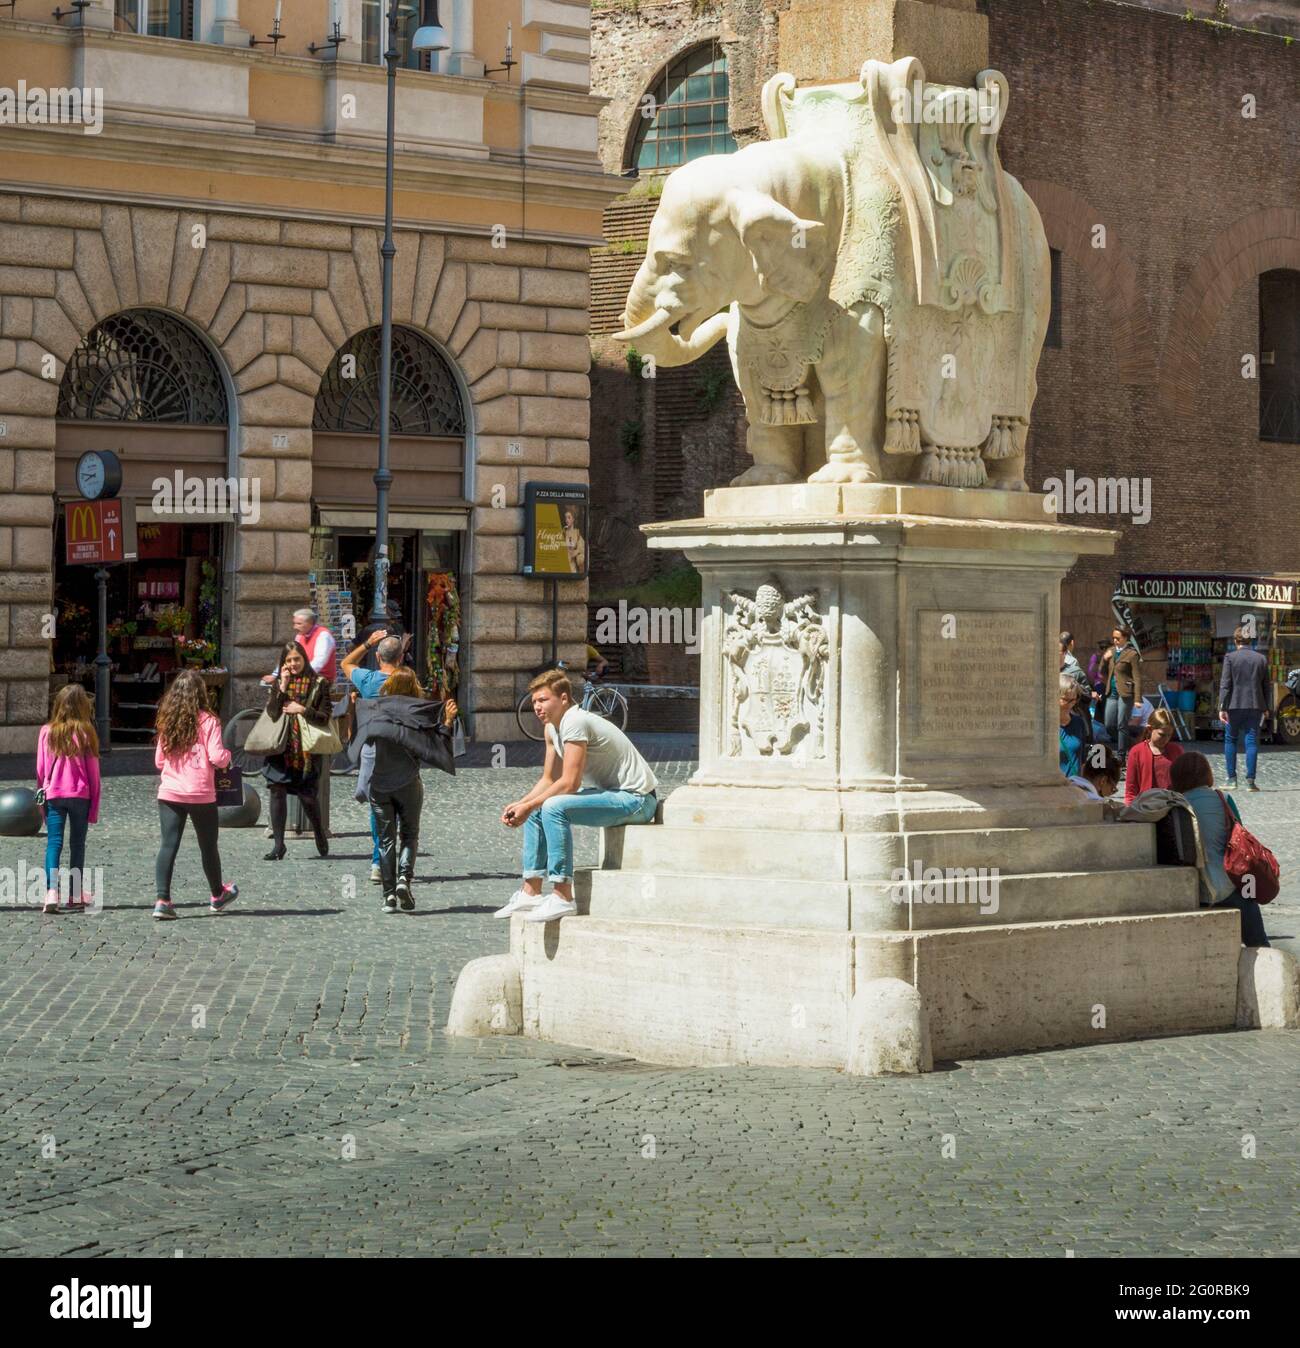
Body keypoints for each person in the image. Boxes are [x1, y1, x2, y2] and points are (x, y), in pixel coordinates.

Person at [495, 668, 658, 924]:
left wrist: (531, 806)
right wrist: (524, 804)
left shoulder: (575, 721)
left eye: (543, 700)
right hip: (611, 794)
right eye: (534, 701)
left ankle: (562, 895)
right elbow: (549, 779)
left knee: (553, 807)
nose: (537, 707)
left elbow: (569, 783)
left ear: (563, 698)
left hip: (637, 800)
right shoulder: (552, 729)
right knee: (540, 807)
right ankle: (531, 892)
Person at [348, 667, 457, 914]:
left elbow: (355, 737)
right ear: (413, 687)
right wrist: (448, 721)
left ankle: (388, 897)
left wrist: (353, 709)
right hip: (408, 782)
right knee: (409, 835)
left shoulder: (373, 709)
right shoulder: (419, 712)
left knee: (386, 840)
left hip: (380, 784)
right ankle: (403, 880)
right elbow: (436, 745)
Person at [152, 669, 237, 920]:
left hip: (170, 792)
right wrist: (229, 757)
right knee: (208, 846)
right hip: (201, 793)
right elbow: (217, 756)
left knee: (168, 845)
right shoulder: (209, 721)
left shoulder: (167, 721)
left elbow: (159, 760)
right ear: (201, 694)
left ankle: (162, 900)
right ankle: (217, 895)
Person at [1168, 750, 1269, 948]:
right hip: (1227, 887)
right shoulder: (1224, 799)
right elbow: (1241, 840)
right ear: (1207, 773)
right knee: (1250, 907)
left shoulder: (1174, 805)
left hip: (1192, 891)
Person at [342, 629, 406, 883]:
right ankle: (398, 865)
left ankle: (378, 862)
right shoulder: (406, 682)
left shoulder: (367, 680)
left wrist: (368, 643)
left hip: (373, 752)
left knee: (377, 807)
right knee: (401, 809)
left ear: (378, 657)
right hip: (401, 751)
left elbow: (346, 663)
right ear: (401, 659)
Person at [262, 639, 333, 861]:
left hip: (306, 750)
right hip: (281, 747)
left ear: (304, 659)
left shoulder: (318, 683)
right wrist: (281, 686)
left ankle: (319, 831)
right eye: (288, 660)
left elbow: (324, 717)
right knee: (276, 789)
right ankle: (279, 844)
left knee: (307, 796)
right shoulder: (280, 683)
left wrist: (302, 709)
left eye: (297, 659)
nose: (293, 664)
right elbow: (273, 713)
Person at [35, 684, 102, 913]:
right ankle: (74, 894)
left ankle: (51, 892)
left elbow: (40, 771)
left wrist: (42, 801)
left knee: (54, 843)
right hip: (80, 795)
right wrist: (94, 806)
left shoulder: (47, 731)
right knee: (77, 845)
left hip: (54, 794)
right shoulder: (86, 731)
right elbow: (94, 774)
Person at [1219, 624, 1270, 792]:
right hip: (1255, 704)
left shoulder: (1230, 657)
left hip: (1234, 705)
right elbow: (1266, 686)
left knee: (1230, 739)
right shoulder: (1261, 659)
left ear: (1236, 641)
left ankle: (1232, 779)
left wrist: (1222, 706)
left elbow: (1225, 685)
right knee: (1251, 741)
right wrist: (1266, 706)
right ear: (1251, 640)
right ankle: (1251, 781)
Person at [1123, 706, 1184, 804]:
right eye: (1162, 735)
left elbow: (1184, 784)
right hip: (1145, 808)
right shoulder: (1136, 752)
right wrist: (1130, 811)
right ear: (1150, 729)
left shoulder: (1177, 751)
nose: (1166, 739)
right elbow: (1131, 790)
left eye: (1169, 735)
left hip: (1172, 806)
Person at [1099, 625, 1142, 761]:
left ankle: (1121, 755)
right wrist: (1104, 659)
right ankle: (1132, 744)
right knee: (1109, 724)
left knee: (1121, 724)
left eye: (1118, 638)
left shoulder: (1132, 654)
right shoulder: (1111, 651)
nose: (1115, 641)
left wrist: (1137, 698)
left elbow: (1137, 677)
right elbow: (1101, 671)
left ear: (1125, 638)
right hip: (1111, 692)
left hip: (1126, 693)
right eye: (1113, 638)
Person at [1057, 675, 1091, 778]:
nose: (1069, 704)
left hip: (1074, 787)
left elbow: (1082, 759)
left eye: (1073, 700)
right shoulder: (1045, 727)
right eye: (1065, 700)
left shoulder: (1078, 722)